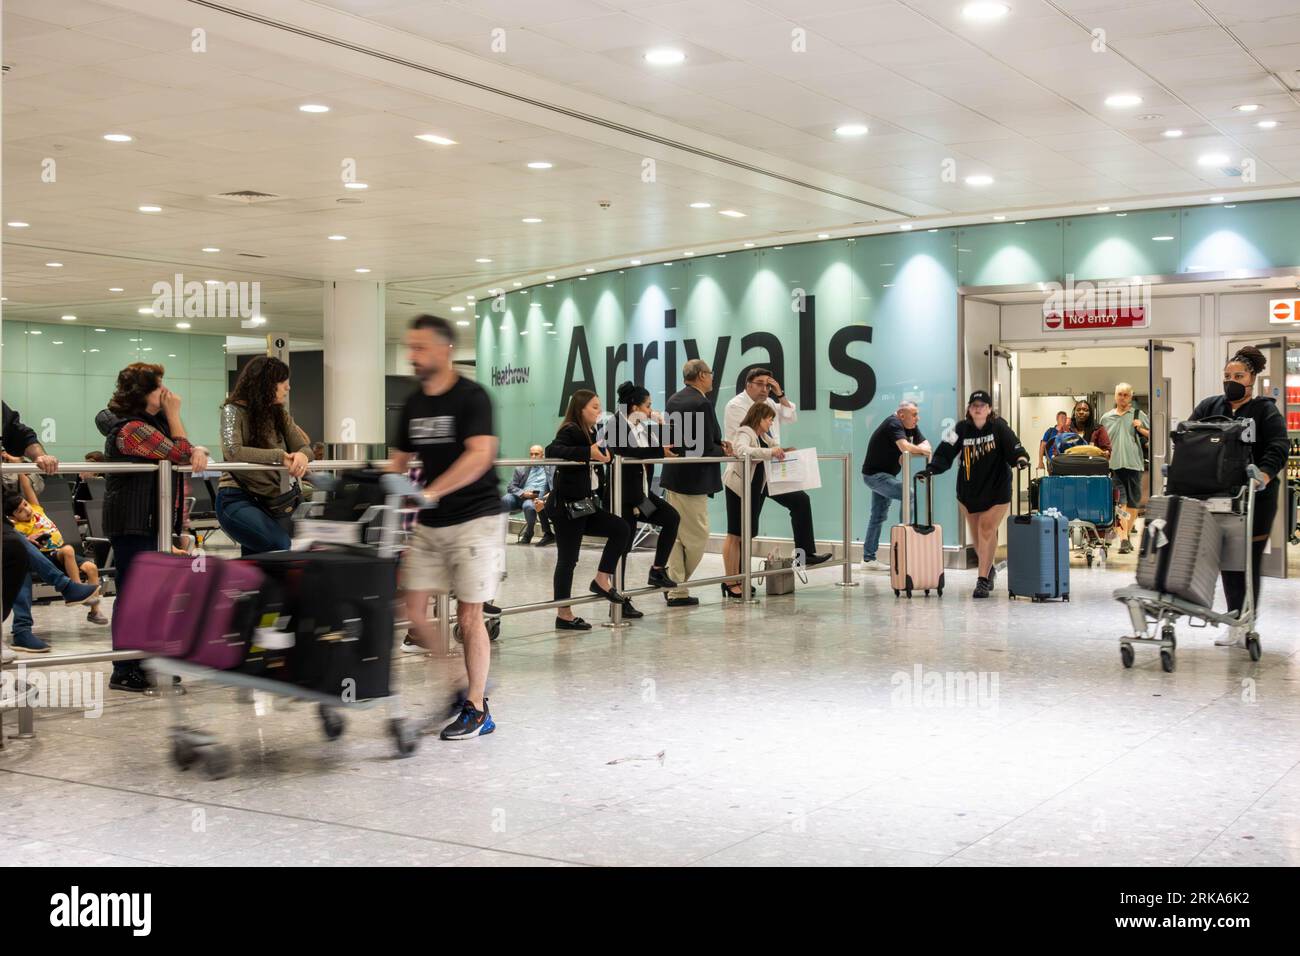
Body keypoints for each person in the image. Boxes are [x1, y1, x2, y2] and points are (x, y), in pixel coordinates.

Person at [389, 315, 504, 740]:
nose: (412, 356)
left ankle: (477, 708)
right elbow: (397, 461)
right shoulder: (413, 403)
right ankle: (461, 684)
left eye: (419, 348)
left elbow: (480, 455)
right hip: (429, 522)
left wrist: (432, 492)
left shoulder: (473, 398)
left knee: (468, 616)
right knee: (414, 611)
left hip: (476, 519)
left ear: (444, 350)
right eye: (410, 347)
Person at [96, 363, 209, 691]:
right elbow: (180, 453)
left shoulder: (148, 424)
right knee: (133, 594)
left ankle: (149, 659)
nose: (167, 393)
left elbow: (183, 451)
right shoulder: (133, 429)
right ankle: (125, 666)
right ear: (144, 393)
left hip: (151, 520)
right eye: (160, 387)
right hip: (133, 522)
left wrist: (194, 447)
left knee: (155, 595)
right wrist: (177, 417)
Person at [1187, 347, 1289, 647]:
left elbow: (1279, 446)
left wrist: (1265, 475)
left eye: (1239, 376)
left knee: (1248, 559)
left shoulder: (1265, 410)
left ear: (1252, 379)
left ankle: (1247, 621)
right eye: (1227, 376)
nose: (1231, 381)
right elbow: (1189, 436)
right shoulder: (1210, 406)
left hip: (1256, 497)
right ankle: (1234, 619)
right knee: (1227, 558)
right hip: (1218, 496)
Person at [2, 404, 98, 653]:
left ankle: (22, 631)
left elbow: (19, 432)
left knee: (18, 553)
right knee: (16, 547)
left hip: (40, 545)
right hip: (19, 533)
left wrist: (38, 456)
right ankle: (65, 587)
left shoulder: (28, 503)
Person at [723, 368, 831, 573]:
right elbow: (744, 441)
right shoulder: (736, 405)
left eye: (768, 385)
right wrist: (772, 451)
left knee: (800, 501)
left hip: (770, 470)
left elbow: (790, 416)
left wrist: (779, 393)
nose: (765, 389)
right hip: (750, 474)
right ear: (748, 384)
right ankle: (737, 579)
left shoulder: (769, 403)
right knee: (744, 530)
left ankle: (805, 554)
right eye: (761, 384)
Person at [923, 390, 1030, 598]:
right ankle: (988, 569)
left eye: (982, 405)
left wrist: (1020, 459)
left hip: (997, 488)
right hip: (968, 491)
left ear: (989, 409)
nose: (978, 408)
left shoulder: (999, 427)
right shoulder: (959, 429)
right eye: (974, 405)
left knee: (986, 528)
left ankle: (981, 581)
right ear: (969, 409)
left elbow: (1015, 447)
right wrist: (930, 469)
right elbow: (944, 452)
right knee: (978, 536)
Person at [545, 390, 631, 630]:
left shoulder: (592, 431)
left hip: (585, 505)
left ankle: (601, 579)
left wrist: (605, 456)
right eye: (594, 407)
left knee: (620, 528)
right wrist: (587, 454)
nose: (598, 410)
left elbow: (602, 455)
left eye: (599, 406)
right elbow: (552, 451)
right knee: (568, 560)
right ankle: (563, 613)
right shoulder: (570, 429)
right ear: (580, 408)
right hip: (567, 507)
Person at [216, 356, 313, 556]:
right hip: (236, 498)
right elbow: (232, 451)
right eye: (282, 382)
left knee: (262, 563)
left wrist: (302, 456)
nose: (288, 387)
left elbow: (304, 447)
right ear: (266, 384)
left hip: (274, 501)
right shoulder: (232, 411)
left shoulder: (280, 414)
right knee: (279, 544)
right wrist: (280, 456)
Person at [658, 359, 731, 607]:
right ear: (701, 375)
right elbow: (702, 447)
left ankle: (675, 589)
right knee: (698, 536)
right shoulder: (701, 403)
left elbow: (681, 442)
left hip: (674, 476)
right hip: (693, 480)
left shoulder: (674, 399)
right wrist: (723, 451)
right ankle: (674, 585)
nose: (712, 377)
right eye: (710, 373)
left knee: (677, 537)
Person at [607, 381, 680, 615]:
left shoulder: (643, 428)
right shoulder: (616, 424)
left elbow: (662, 448)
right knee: (624, 547)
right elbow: (626, 451)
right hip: (624, 498)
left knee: (670, 518)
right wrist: (658, 451)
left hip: (641, 497)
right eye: (648, 406)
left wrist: (662, 424)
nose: (651, 410)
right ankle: (618, 599)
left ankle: (657, 569)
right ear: (634, 405)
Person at [5, 475, 107, 625]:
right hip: (45, 557)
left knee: (91, 568)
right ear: (12, 517)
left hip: (60, 554)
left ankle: (94, 611)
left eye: (25, 505)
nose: (26, 510)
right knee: (68, 550)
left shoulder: (36, 509)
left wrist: (20, 469)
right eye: (20, 511)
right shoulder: (16, 527)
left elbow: (27, 488)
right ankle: (76, 589)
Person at [721, 403, 786, 597]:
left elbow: (772, 447)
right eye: (769, 419)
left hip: (752, 490)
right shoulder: (745, 431)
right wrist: (770, 453)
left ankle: (739, 578)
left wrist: (781, 450)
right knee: (734, 534)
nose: (771, 422)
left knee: (743, 535)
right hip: (738, 488)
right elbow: (741, 450)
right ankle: (730, 581)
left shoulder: (762, 436)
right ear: (759, 417)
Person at [860, 401, 932, 572]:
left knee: (877, 516)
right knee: (909, 494)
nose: (917, 418)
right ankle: (904, 545)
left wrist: (914, 450)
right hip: (875, 476)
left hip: (885, 475)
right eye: (914, 415)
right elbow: (905, 447)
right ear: (902, 415)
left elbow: (927, 446)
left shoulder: (910, 426)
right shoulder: (893, 423)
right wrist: (913, 450)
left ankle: (868, 559)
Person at [1100, 383, 1151, 553]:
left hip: (1134, 464)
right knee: (1120, 503)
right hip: (1114, 466)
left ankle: (1126, 535)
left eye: (1126, 395)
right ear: (1115, 396)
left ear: (1130, 396)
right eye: (1120, 394)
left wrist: (1140, 428)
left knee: (1133, 503)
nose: (1122, 397)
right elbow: (1101, 442)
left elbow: (1153, 435)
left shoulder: (1138, 415)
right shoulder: (1106, 418)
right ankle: (1123, 539)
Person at [502, 445, 555, 545]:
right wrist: (523, 493)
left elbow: (554, 485)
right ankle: (498, 533)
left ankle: (528, 534)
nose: (533, 457)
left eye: (536, 454)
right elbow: (510, 487)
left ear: (542, 456)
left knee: (529, 506)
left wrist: (548, 494)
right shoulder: (522, 468)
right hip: (520, 496)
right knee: (504, 500)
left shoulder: (549, 469)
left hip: (536, 499)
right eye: (531, 454)